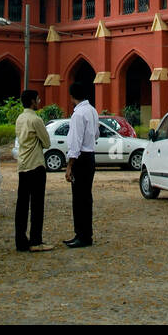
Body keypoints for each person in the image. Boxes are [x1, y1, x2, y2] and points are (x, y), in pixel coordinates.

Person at [13, 90, 54, 253]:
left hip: (22, 166)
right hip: (36, 166)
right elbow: (47, 143)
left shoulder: (20, 118)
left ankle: (20, 241)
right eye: (37, 99)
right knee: (37, 205)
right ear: (32, 102)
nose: (39, 100)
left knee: (21, 205)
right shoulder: (36, 120)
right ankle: (36, 241)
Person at [63, 83, 98, 248]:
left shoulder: (78, 114)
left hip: (81, 159)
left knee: (78, 198)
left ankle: (81, 235)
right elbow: (96, 134)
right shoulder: (92, 110)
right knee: (86, 198)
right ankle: (86, 234)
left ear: (71, 96)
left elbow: (75, 143)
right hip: (90, 156)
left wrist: (70, 165)